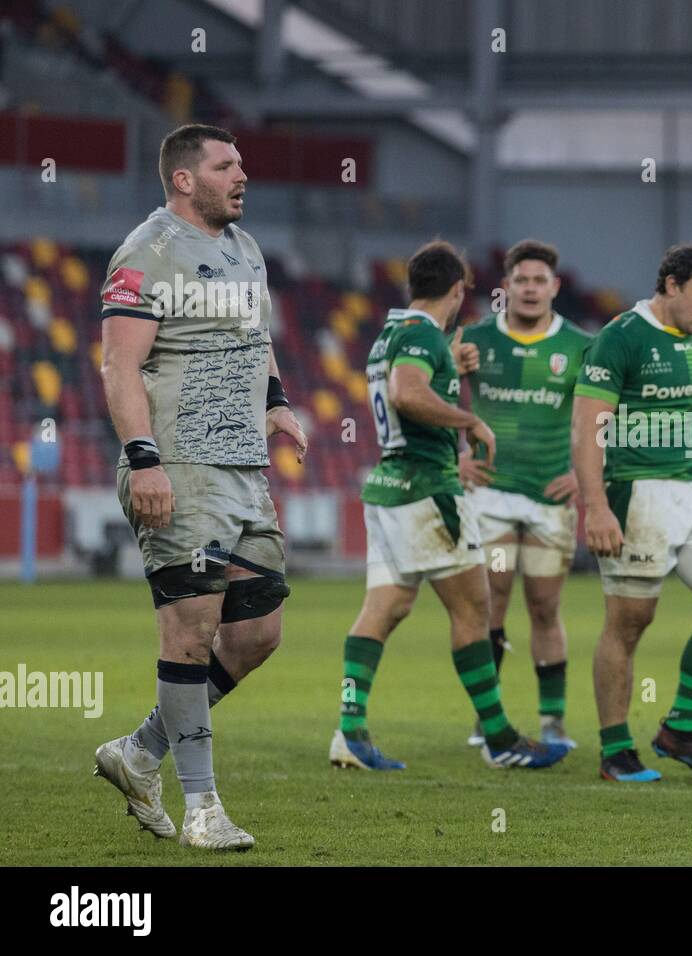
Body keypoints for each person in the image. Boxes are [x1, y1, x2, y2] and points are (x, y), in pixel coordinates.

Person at [95, 124, 308, 850]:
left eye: (241, 163)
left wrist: (276, 402)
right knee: (189, 633)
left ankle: (139, 752)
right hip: (180, 465)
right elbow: (119, 368)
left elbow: (257, 337)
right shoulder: (146, 253)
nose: (241, 174)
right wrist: (144, 458)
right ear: (185, 180)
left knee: (256, 633)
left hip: (244, 468)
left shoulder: (244, 250)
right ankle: (203, 810)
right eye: (225, 165)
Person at [328, 239, 570, 772]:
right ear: (458, 291)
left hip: (388, 490)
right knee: (475, 609)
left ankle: (349, 731)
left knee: (384, 609)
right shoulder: (421, 337)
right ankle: (501, 737)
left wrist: (447, 365)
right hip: (426, 489)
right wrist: (471, 421)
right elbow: (408, 392)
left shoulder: (392, 333)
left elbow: (410, 381)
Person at [573, 244, 692, 783]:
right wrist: (597, 507)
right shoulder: (620, 338)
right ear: (671, 285)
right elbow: (589, 428)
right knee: (629, 623)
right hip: (636, 493)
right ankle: (615, 749)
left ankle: (682, 729)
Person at [457, 239, 593, 750]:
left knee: (543, 607)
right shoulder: (475, 341)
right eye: (522, 280)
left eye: (540, 281)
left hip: (549, 497)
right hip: (490, 495)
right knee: (490, 602)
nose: (531, 289)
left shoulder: (580, 346)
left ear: (554, 287)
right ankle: (488, 719)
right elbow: (430, 395)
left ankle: (552, 720)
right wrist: (456, 458)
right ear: (506, 287)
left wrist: (585, 476)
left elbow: (607, 415)